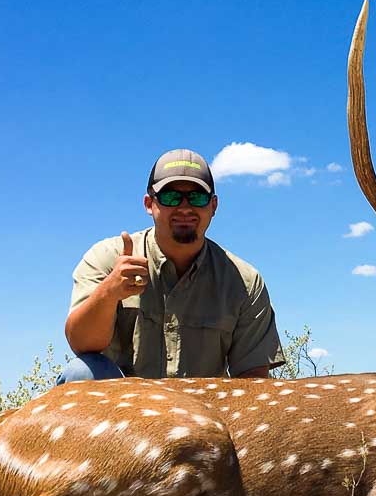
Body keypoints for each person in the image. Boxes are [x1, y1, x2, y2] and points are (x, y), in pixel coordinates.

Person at [57, 148, 285, 384]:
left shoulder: (245, 281)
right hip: (121, 410)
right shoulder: (108, 258)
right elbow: (81, 344)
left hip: (202, 412)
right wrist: (109, 293)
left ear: (213, 205)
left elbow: (254, 380)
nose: (185, 207)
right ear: (149, 204)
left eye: (197, 197)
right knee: (82, 373)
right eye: (170, 197)